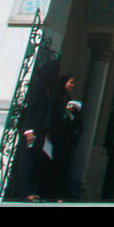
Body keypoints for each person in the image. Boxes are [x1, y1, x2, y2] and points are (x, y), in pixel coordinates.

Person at [16, 58, 60, 202]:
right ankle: (23, 191)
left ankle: (33, 191)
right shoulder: (37, 86)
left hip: (40, 131)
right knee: (26, 161)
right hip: (32, 130)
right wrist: (28, 130)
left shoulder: (47, 89)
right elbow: (30, 109)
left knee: (36, 162)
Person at [49, 73, 83, 201]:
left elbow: (75, 120)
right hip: (57, 136)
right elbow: (53, 117)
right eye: (70, 82)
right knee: (55, 164)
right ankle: (52, 193)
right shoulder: (56, 98)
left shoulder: (69, 98)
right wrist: (65, 112)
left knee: (65, 165)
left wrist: (72, 113)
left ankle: (61, 192)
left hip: (67, 138)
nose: (72, 85)